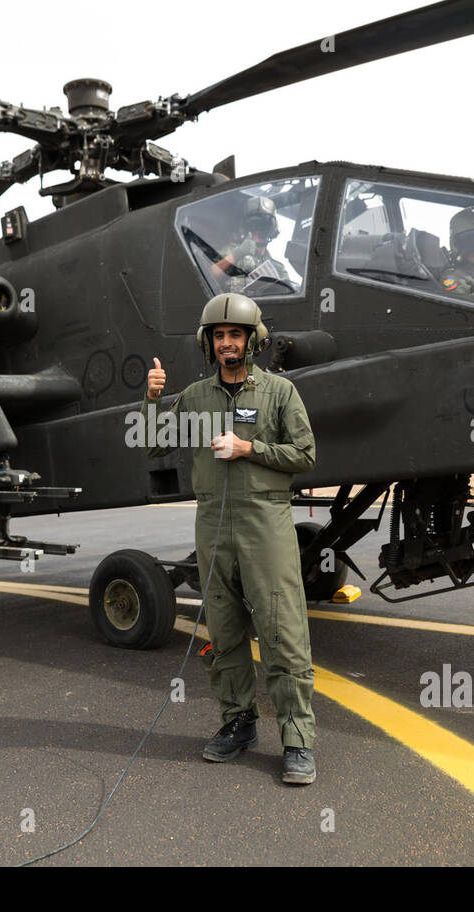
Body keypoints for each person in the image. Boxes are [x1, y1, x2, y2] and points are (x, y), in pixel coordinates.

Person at [141, 292, 319, 785]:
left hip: (267, 525)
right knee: (224, 634)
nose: (226, 343)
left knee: (283, 633)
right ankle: (238, 724)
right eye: (218, 335)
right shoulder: (195, 397)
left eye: (234, 334)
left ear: (252, 339)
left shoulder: (281, 393)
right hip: (213, 526)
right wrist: (153, 399)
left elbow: (304, 455)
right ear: (208, 343)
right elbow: (153, 443)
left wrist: (249, 448)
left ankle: (297, 738)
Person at [209, 196, 294, 295]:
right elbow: (210, 275)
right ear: (247, 230)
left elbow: (290, 295)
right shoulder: (232, 252)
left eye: (264, 229)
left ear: (271, 233)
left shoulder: (277, 267)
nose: (258, 232)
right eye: (254, 228)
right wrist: (238, 253)